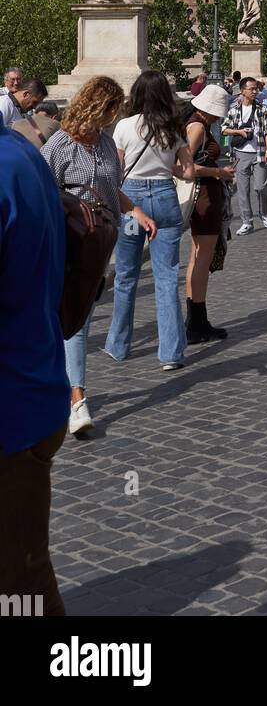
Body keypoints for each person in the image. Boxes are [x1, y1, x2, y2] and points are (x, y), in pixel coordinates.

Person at [41, 76, 158, 435]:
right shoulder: (60, 145)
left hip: (99, 245)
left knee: (78, 314)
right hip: (65, 245)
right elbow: (42, 193)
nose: (114, 116)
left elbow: (112, 189)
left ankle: (57, 387)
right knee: (75, 317)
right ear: (98, 106)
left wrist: (135, 210)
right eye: (112, 109)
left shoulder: (106, 145)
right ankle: (77, 397)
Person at [0, 110, 70, 615]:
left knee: (17, 584)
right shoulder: (23, 153)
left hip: (10, 413)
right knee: (22, 574)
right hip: (35, 387)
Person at [106, 70, 196, 372]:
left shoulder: (124, 126)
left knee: (126, 274)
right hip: (165, 201)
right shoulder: (173, 128)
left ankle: (118, 345)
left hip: (132, 206)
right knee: (167, 278)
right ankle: (170, 353)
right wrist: (165, 168)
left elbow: (116, 173)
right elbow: (188, 172)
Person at [184, 84, 235, 344]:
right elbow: (185, 166)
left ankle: (196, 318)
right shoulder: (198, 127)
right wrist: (219, 173)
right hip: (204, 196)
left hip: (206, 194)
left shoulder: (198, 124)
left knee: (197, 256)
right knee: (202, 257)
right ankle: (197, 321)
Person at [222, 76, 267, 235]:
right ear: (242, 91)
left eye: (255, 88)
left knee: (260, 187)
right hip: (240, 154)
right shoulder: (234, 109)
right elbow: (224, 129)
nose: (255, 91)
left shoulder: (262, 108)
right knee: (243, 190)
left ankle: (263, 213)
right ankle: (247, 221)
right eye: (251, 89)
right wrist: (239, 132)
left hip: (259, 153)